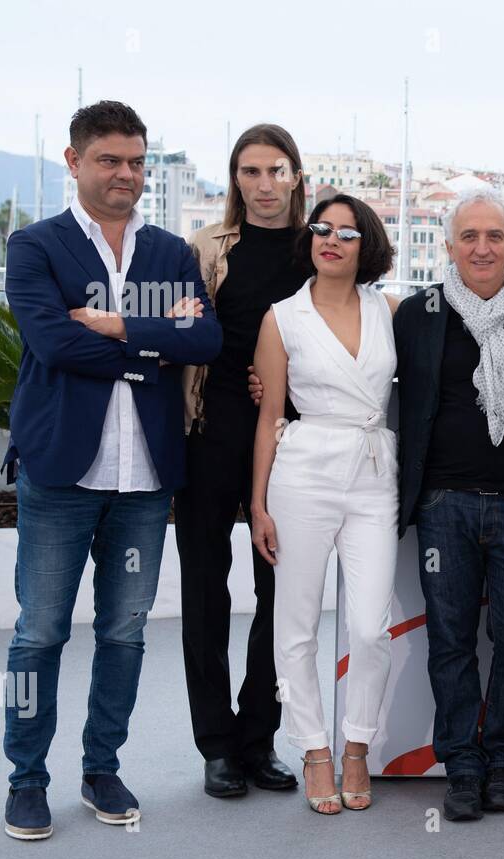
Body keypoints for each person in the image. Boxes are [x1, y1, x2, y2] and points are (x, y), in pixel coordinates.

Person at [1, 100, 222, 840]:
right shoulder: (36, 247)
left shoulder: (170, 253)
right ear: (74, 162)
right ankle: (26, 780)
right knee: (40, 634)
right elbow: (54, 344)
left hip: (145, 481)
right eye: (109, 160)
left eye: (136, 161)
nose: (126, 174)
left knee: (124, 635)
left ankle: (102, 769)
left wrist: (118, 327)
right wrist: (151, 351)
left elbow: (206, 341)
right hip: (60, 476)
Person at [392, 189, 504, 821]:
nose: (482, 248)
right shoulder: (417, 313)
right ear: (448, 246)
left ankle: (501, 762)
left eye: (494, 236)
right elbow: (362, 372)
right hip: (443, 506)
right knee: (451, 642)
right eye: (468, 236)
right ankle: (463, 768)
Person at [249, 195, 400, 814]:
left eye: (346, 232)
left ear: (368, 245)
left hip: (374, 473)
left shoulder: (390, 309)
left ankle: (357, 743)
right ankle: (313, 749)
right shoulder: (280, 318)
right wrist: (257, 505)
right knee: (297, 624)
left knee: (370, 627)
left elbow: (457, 329)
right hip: (302, 472)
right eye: (321, 228)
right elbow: (269, 416)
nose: (330, 239)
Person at [177, 124, 307, 799]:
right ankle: (217, 745)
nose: (264, 184)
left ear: (295, 176)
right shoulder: (204, 248)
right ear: (235, 179)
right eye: (250, 171)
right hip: (210, 430)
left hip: (287, 438)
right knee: (205, 589)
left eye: (276, 170)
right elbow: (176, 334)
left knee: (280, 592)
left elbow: (370, 312)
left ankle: (260, 738)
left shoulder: (319, 248)